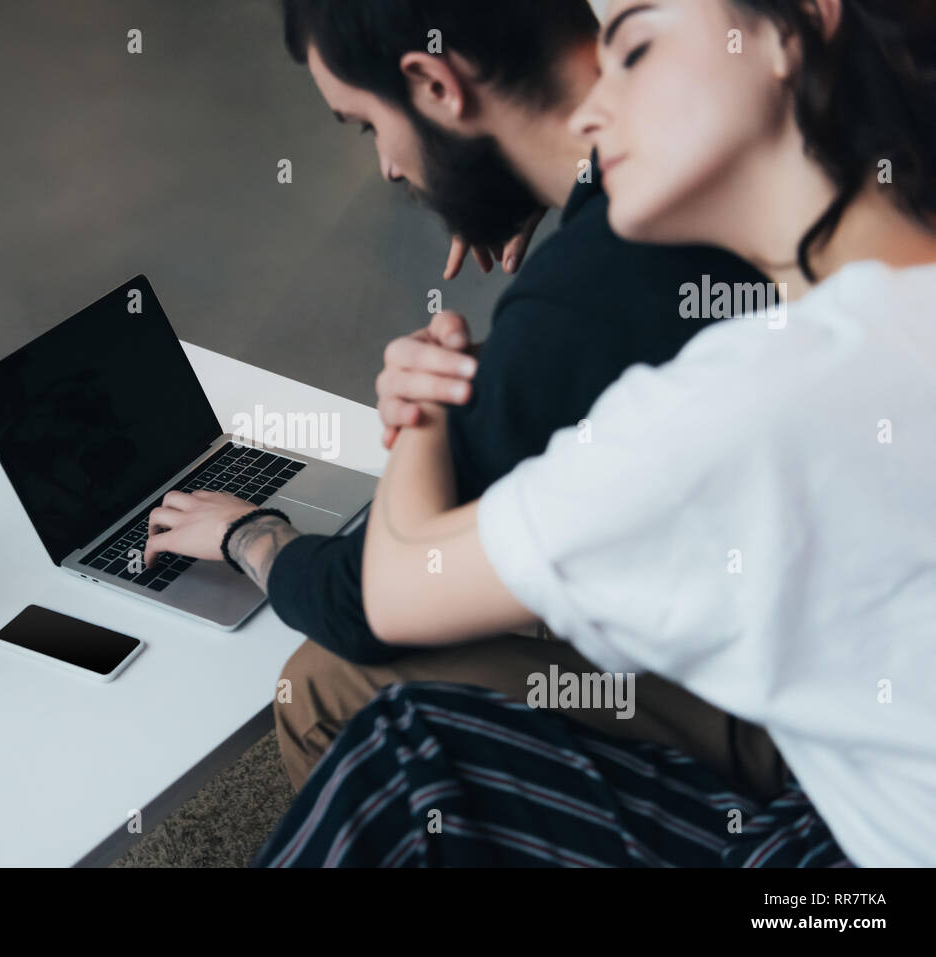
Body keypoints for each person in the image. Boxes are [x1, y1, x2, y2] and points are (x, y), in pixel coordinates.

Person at [256, 0, 936, 867]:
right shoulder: (858, 323)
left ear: (797, 24)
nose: (587, 109)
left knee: (398, 753)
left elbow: (391, 590)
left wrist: (415, 401)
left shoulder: (735, 408)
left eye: (636, 47)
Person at [140, 0, 781, 798]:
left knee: (322, 682)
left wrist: (251, 533)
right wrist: (528, 174)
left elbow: (366, 596)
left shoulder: (584, 297)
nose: (387, 167)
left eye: (368, 127)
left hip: (789, 734)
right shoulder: (729, 119)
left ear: (438, 86)